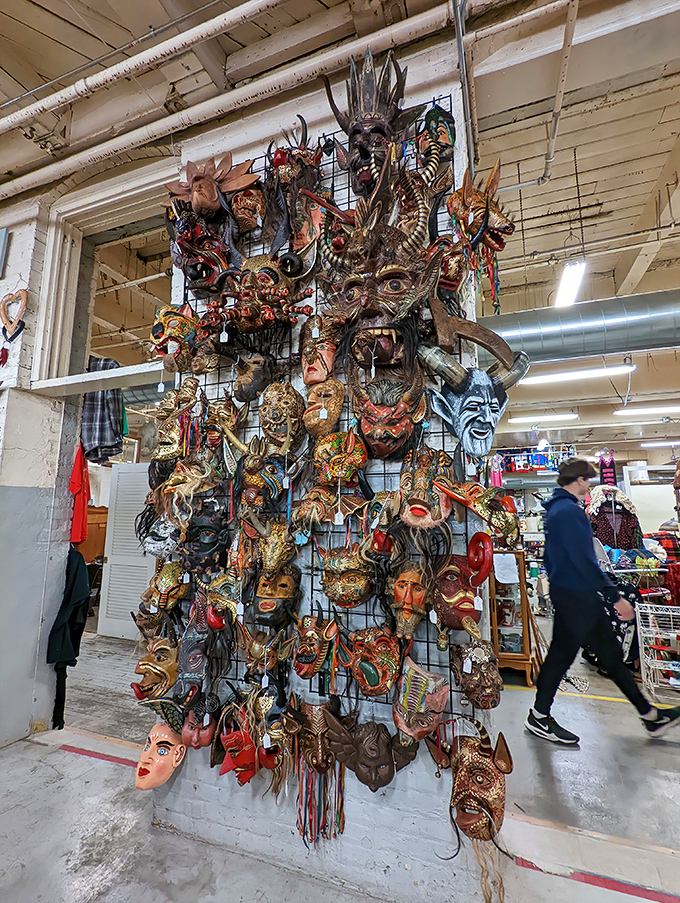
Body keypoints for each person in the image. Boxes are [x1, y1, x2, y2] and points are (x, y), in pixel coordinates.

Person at [525, 457, 680, 745]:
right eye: (588, 479)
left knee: (609, 657)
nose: (590, 484)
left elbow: (557, 557)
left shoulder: (557, 510)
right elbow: (584, 560)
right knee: (562, 659)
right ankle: (539, 715)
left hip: (575, 595)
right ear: (580, 480)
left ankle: (650, 716)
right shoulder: (568, 512)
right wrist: (614, 595)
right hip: (576, 597)